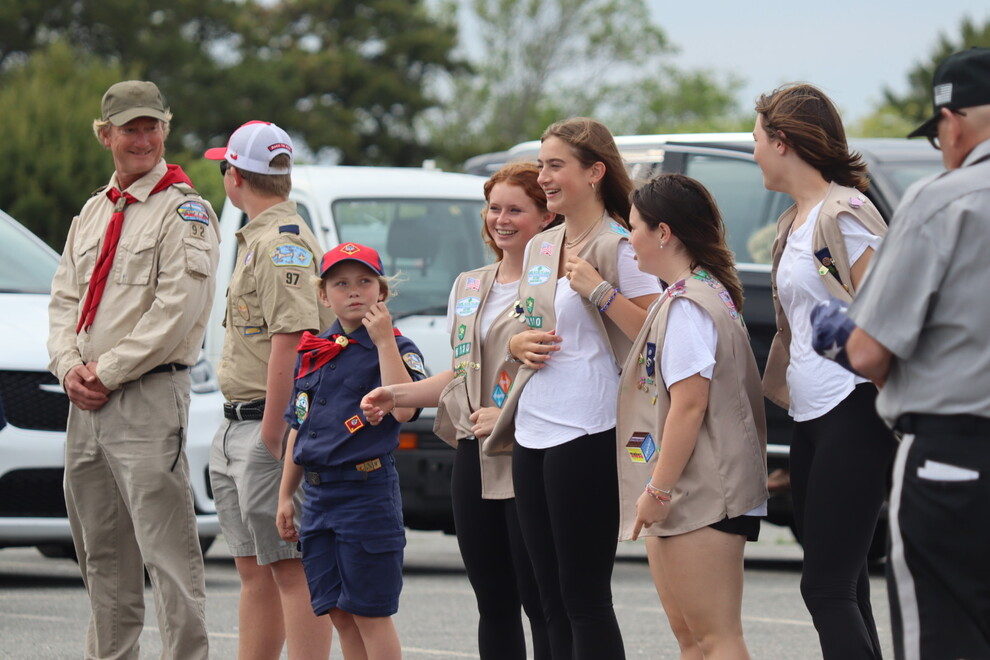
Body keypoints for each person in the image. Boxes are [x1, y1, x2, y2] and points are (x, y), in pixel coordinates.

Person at [813, 47, 990, 660]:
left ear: (953, 122)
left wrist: (834, 332)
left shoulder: (943, 199)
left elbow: (869, 352)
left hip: (957, 459)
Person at [46, 80, 218, 659]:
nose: (142, 139)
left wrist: (106, 371)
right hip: (86, 405)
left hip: (146, 397)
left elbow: (177, 309)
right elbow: (64, 301)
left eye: (152, 127)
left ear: (165, 130)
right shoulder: (93, 212)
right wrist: (68, 367)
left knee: (168, 558)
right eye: (130, 129)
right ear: (106, 135)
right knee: (102, 557)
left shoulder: (185, 210)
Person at [360, 162, 558, 659]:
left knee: (541, 600)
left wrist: (508, 414)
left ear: (546, 217)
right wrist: (398, 395)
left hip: (531, 448)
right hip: (474, 449)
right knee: (493, 600)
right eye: (494, 209)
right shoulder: (469, 285)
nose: (501, 220)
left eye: (516, 210)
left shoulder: (558, 284)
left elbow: (568, 373)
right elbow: (465, 373)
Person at [487, 117, 661, 660]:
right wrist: (516, 343)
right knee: (546, 600)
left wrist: (600, 291)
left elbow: (659, 334)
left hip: (588, 429)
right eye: (542, 165)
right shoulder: (543, 244)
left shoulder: (620, 244)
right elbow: (528, 322)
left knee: (584, 599)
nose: (543, 176)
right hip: (532, 429)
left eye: (555, 165)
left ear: (594, 172)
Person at [753, 83, 897, 659]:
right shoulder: (795, 220)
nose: (755, 152)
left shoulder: (847, 213)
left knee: (825, 587)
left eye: (757, 140)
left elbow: (887, 315)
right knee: (847, 585)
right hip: (811, 415)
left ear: (782, 142)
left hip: (856, 407)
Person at [616, 173, 767, 659]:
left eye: (633, 226)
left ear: (663, 232)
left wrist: (657, 491)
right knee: (692, 640)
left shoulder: (688, 303)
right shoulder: (693, 291)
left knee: (714, 637)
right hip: (689, 489)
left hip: (702, 490)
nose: (628, 238)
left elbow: (689, 404)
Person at [203, 121, 334, 660]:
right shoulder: (259, 237)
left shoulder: (282, 244)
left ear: (234, 176)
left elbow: (293, 340)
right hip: (240, 420)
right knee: (255, 569)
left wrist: (274, 436)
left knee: (291, 569)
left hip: (267, 422)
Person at [276, 243, 425, 660]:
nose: (354, 291)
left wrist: (384, 342)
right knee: (339, 612)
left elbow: (406, 407)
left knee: (370, 613)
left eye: (364, 281)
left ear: (382, 292)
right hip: (319, 495)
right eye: (340, 284)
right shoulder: (315, 351)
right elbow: (299, 427)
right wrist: (285, 494)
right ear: (324, 296)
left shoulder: (397, 346)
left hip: (366, 492)